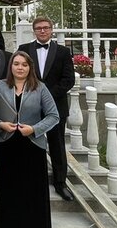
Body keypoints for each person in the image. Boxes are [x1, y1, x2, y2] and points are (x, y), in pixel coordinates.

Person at [0, 51, 59, 228]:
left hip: (31, 147)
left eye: (24, 65)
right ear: (10, 66)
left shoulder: (40, 88)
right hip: (7, 145)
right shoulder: (0, 87)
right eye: (16, 64)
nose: (20, 68)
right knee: (9, 193)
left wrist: (35, 129)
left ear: (30, 67)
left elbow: (53, 115)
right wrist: (0, 124)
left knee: (32, 195)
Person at [19, 17, 75, 201]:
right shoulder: (24, 50)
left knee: (57, 145)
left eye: (46, 28)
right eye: (38, 28)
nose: (42, 31)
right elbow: (19, 76)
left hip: (56, 106)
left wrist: (47, 96)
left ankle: (60, 183)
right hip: (29, 106)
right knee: (29, 145)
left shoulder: (63, 51)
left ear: (52, 30)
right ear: (34, 31)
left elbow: (68, 80)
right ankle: (31, 180)